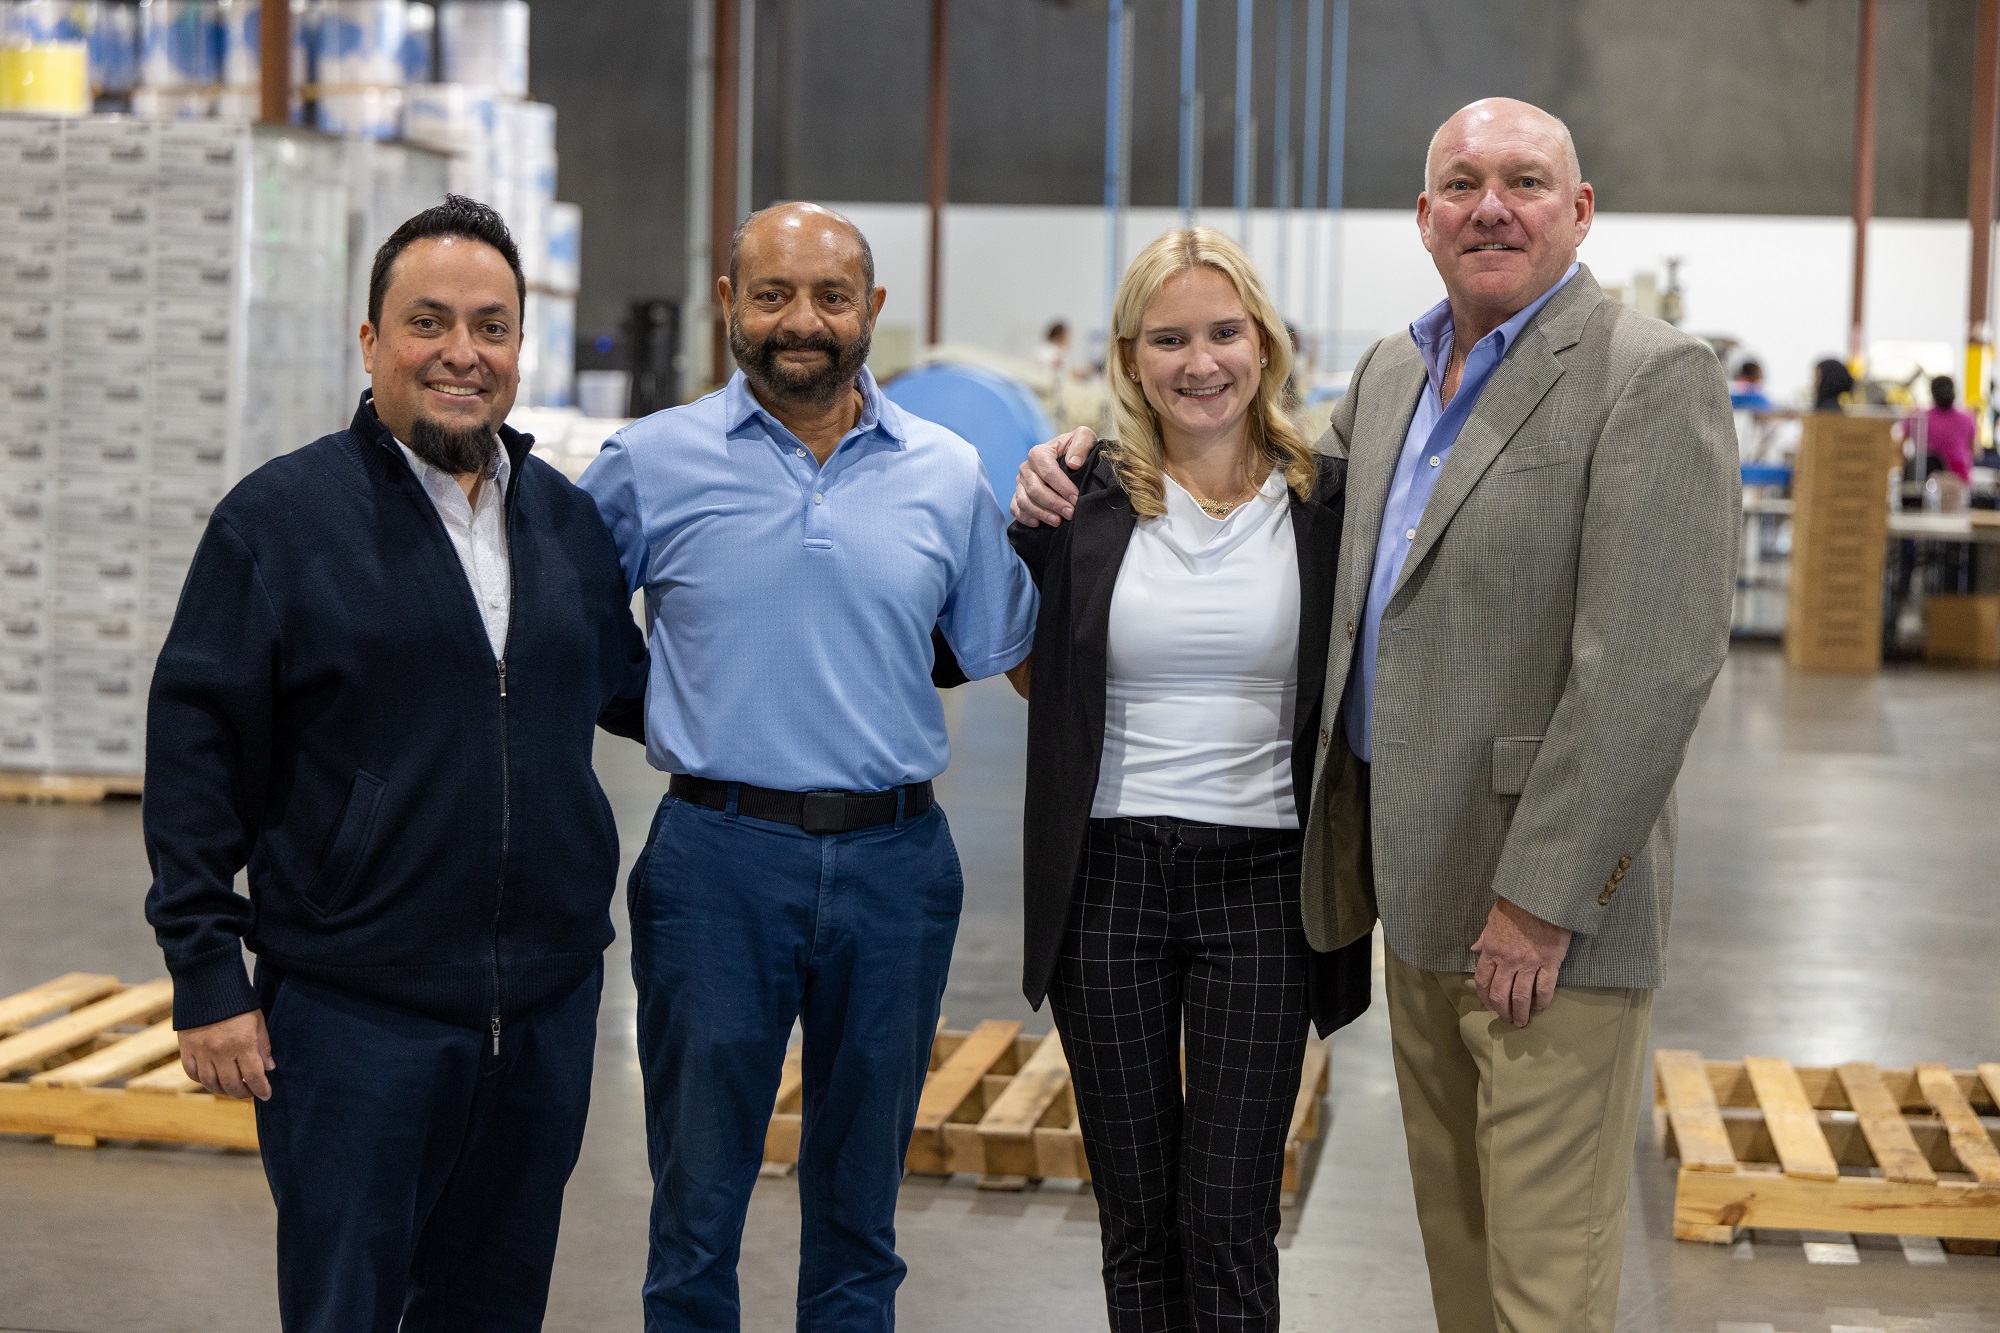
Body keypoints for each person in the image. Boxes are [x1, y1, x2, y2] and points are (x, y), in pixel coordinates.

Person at [1014, 98, 1740, 1333]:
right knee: (1459, 1252)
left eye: (1522, 181)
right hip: (1411, 892)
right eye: (1460, 183)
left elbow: (1647, 671)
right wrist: (1064, 468)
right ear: (1423, 215)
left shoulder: (1647, 375)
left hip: (1539, 915)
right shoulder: (1396, 376)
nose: (1489, 207)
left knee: (1542, 1283)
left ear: (1579, 210)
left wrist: (1543, 899)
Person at [144, 196, 650, 1331]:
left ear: (519, 347)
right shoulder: (279, 522)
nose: (462, 352)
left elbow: (636, 691)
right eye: (429, 322)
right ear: (371, 341)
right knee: (347, 1309)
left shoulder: (567, 524)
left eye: (491, 326)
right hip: (354, 1017)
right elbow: (194, 758)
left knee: (494, 1310)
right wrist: (206, 971)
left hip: (545, 1006)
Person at [577, 202, 1037, 1331]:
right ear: (728, 303)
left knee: (861, 1209)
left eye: (831, 296)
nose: (802, 320)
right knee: (696, 1200)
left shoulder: (945, 471)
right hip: (715, 862)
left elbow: (1005, 646)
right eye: (773, 293)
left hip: (896, 866)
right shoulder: (649, 461)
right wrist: (669, 707)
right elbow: (567, 632)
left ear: (870, 309)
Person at [1004, 227, 1370, 1332]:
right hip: (1107, 882)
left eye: (1223, 332)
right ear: (1129, 356)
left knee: (1226, 1219)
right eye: (1167, 339)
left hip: (1263, 887)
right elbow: (1027, 663)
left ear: (1265, 344)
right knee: (1136, 1221)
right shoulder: (1079, 497)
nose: (1198, 361)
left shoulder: (1329, 505)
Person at [1919, 374, 1976, 483]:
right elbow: (1973, 451)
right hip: (1958, 477)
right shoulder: (1966, 419)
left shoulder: (1921, 418)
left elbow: (1899, 446)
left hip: (1927, 477)